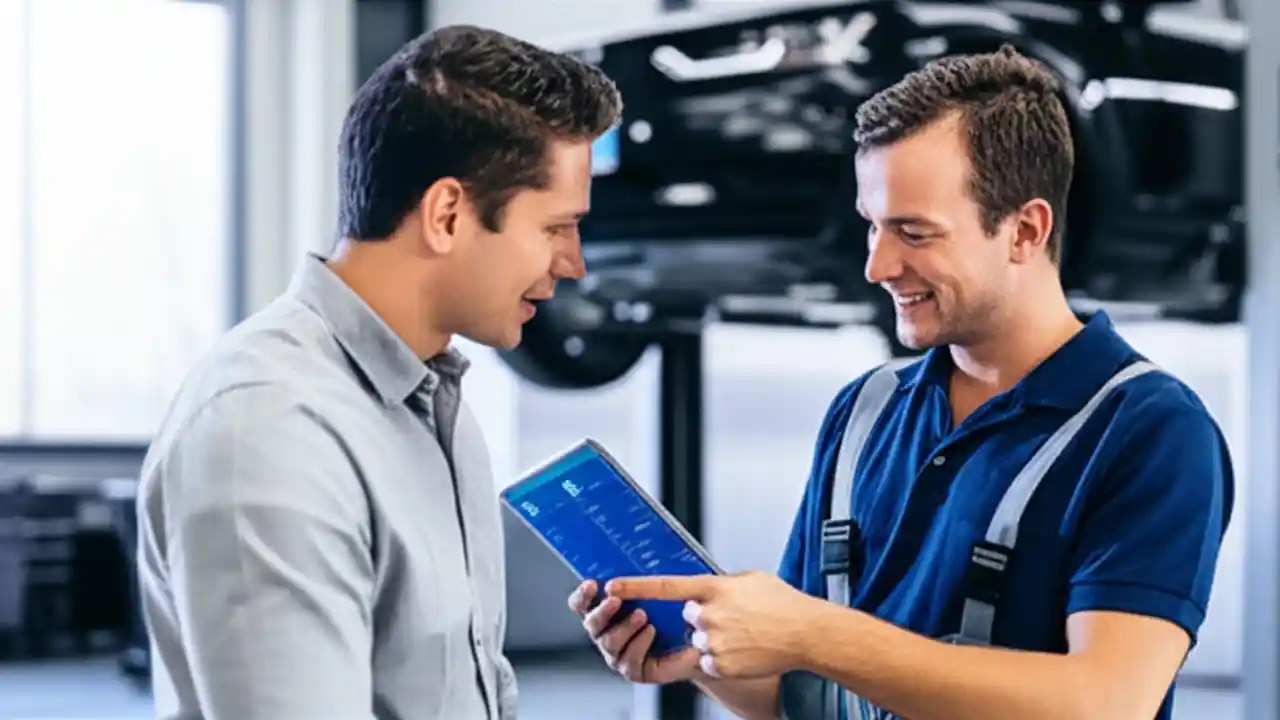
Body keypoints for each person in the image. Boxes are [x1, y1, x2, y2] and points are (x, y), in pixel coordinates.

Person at [569, 45, 1234, 720]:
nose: (877, 265)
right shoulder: (864, 413)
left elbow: (1106, 703)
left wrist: (811, 631)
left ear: (1025, 231)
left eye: (914, 233)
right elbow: (806, 696)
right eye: (872, 226)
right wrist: (699, 659)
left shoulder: (1150, 432)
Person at [135, 24, 621, 720]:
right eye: (554, 228)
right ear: (447, 214)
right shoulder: (268, 430)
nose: (573, 265)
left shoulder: (436, 406)